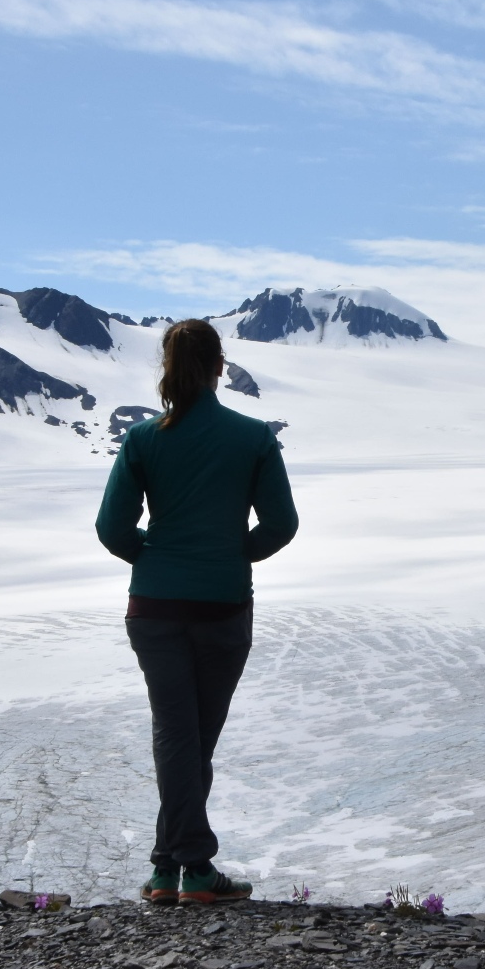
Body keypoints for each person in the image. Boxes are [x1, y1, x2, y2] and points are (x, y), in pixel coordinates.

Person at [95, 318, 298, 905]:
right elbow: (281, 525)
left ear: (167, 367)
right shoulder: (252, 437)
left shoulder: (142, 439)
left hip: (154, 608)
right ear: (219, 366)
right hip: (223, 608)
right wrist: (233, 557)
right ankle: (196, 871)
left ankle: (167, 869)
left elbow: (112, 528)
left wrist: (154, 561)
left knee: (178, 736)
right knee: (195, 739)